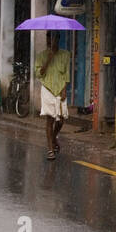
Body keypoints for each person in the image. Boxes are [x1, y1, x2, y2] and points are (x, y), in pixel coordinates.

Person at [36, 31, 71, 160]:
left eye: (53, 38)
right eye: (48, 39)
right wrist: (48, 60)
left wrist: (64, 90)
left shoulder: (65, 55)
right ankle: (50, 149)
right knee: (50, 119)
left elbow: (66, 74)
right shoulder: (41, 56)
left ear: (58, 39)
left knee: (61, 119)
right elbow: (39, 74)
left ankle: (54, 137)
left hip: (60, 89)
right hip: (47, 89)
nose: (50, 41)